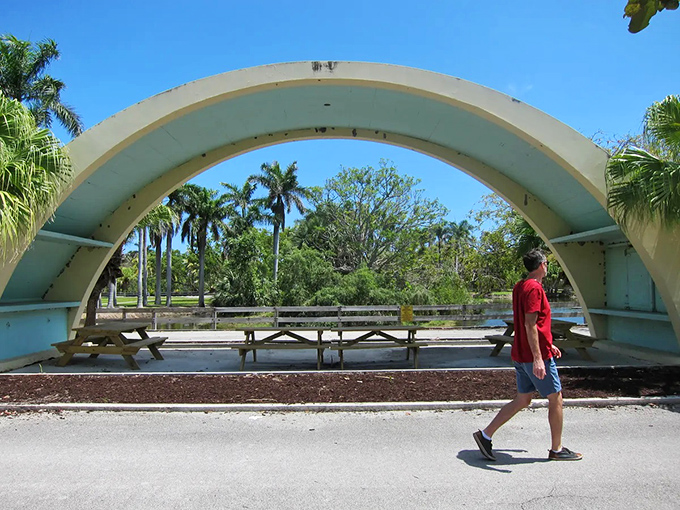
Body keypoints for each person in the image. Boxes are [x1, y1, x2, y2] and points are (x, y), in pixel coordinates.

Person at [473, 248, 582, 461]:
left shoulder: (520, 286)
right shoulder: (534, 289)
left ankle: (485, 435)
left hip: (521, 354)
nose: (547, 267)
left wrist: (549, 345)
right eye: (547, 264)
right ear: (542, 265)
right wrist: (540, 357)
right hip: (533, 357)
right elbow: (530, 324)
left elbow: (534, 326)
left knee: (523, 399)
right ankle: (557, 450)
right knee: (556, 398)